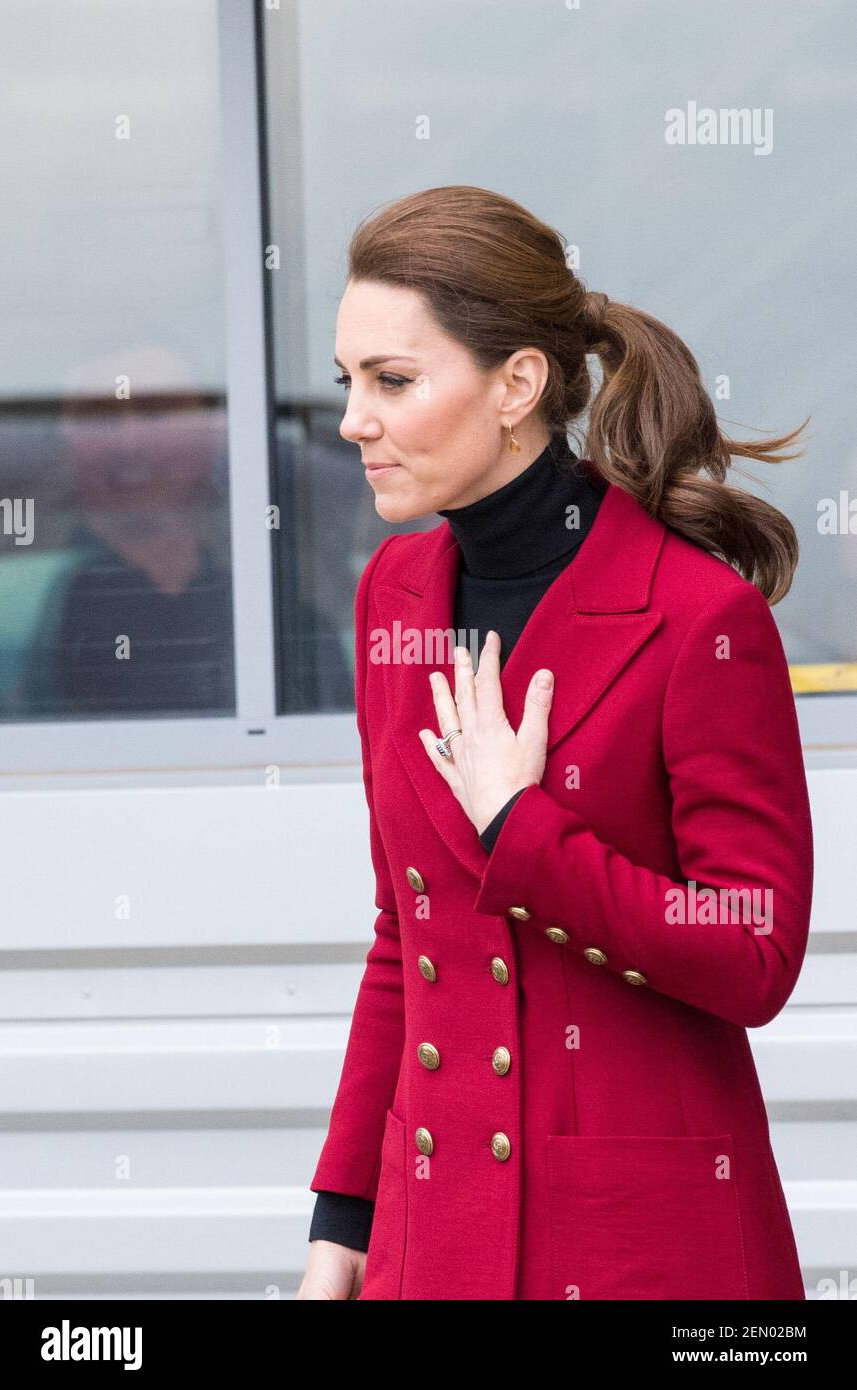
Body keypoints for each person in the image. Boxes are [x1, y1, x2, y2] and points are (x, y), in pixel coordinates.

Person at [297, 184, 814, 1301]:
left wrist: (522, 830)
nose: (352, 420)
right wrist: (343, 1216)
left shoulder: (697, 619)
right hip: (431, 1230)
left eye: (392, 381)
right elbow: (407, 931)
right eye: (349, 382)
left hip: (635, 1240)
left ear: (517, 385)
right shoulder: (393, 595)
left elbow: (753, 954)